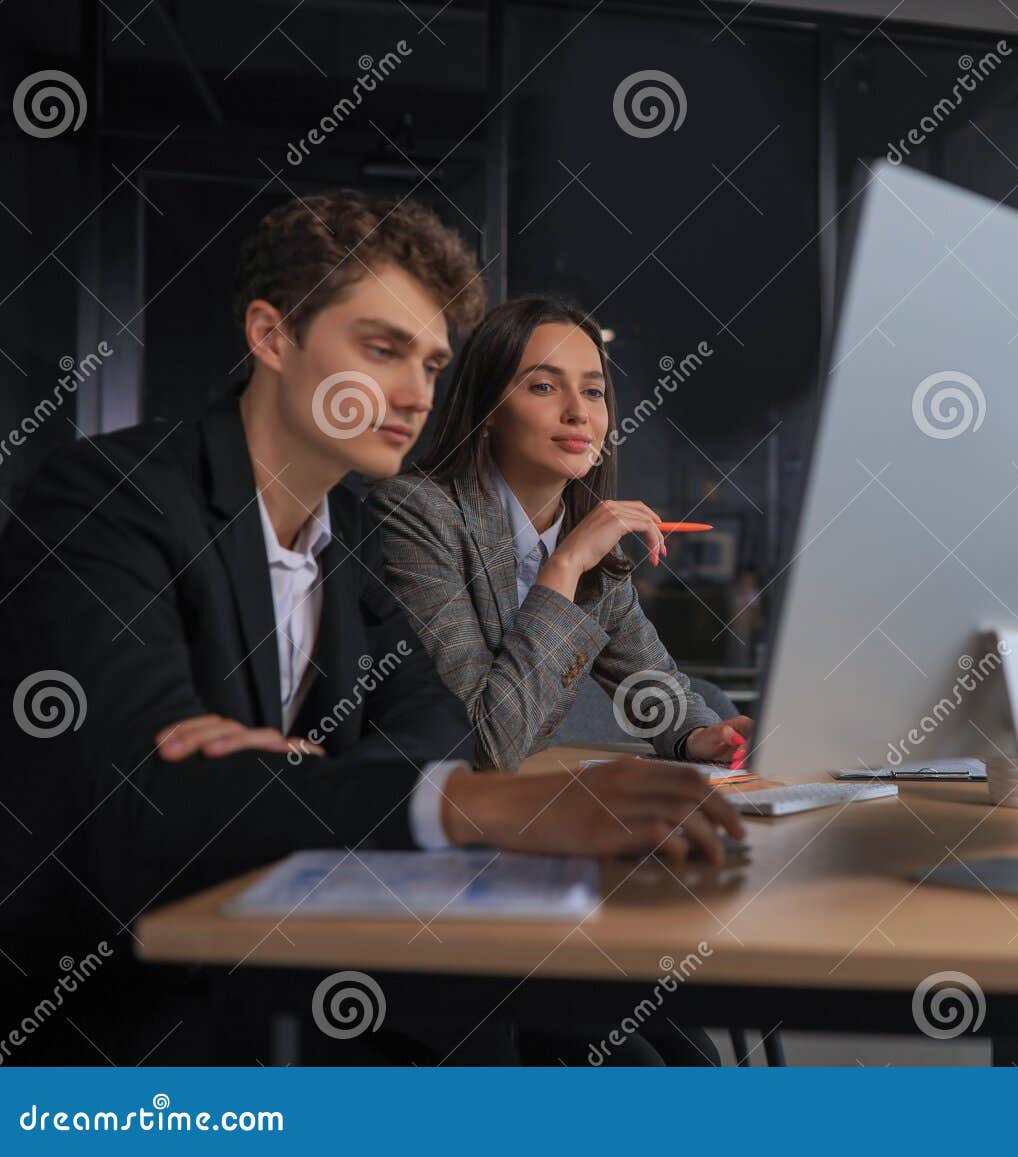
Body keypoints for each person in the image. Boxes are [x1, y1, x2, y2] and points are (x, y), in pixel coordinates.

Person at [0, 191, 743, 1065]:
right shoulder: (106, 499)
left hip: (314, 968)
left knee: (644, 1058)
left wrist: (287, 768)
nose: (413, 392)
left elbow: (442, 732)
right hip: (128, 1029)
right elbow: (141, 807)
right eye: (381, 350)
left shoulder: (348, 535)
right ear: (272, 337)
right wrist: (445, 796)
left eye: (431, 364)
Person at [367, 296, 752, 773]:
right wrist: (565, 565)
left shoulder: (585, 533)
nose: (578, 412)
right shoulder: (417, 514)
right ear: (488, 410)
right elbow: (484, 745)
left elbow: (652, 686)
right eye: (545, 386)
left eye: (593, 392)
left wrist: (698, 735)